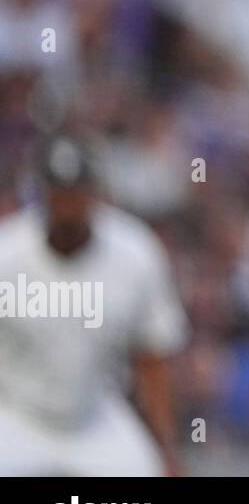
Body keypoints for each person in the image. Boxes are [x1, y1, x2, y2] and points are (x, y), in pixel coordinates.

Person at [0, 136, 188, 476]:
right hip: (16, 414)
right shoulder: (6, 255)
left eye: (77, 191)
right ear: (41, 194)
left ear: (95, 193)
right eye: (59, 192)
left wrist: (165, 445)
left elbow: (152, 356)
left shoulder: (134, 252)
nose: (68, 204)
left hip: (96, 417)